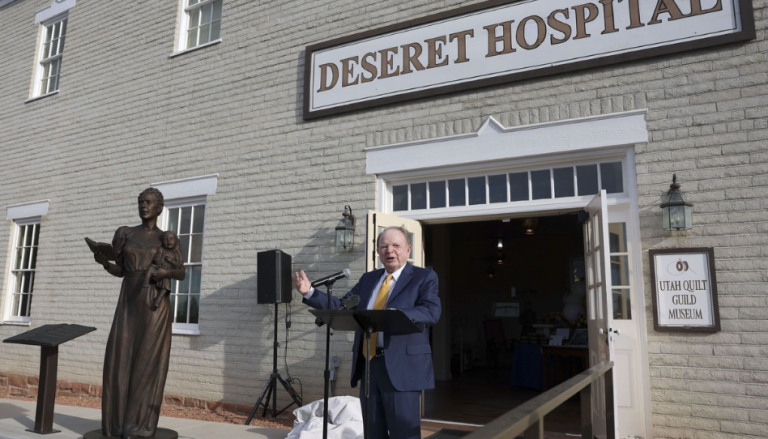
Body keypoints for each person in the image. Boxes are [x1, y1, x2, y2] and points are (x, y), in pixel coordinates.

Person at [294, 227, 441, 439]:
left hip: (402, 368)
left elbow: (431, 311)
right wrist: (310, 292)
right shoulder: (369, 279)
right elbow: (343, 305)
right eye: (383, 246)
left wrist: (395, 314)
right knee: (373, 432)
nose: (389, 250)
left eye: (396, 246)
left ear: (408, 249)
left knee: (404, 434)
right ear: (378, 252)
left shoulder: (424, 277)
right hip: (370, 365)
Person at [93, 188, 186, 439]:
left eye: (149, 202)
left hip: (154, 303)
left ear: (159, 207)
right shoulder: (126, 233)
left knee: (147, 362)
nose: (143, 206)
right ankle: (116, 424)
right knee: (119, 359)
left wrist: (164, 274)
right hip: (128, 300)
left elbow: (180, 273)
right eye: (140, 202)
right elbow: (121, 270)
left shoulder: (166, 238)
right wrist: (104, 263)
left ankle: (138, 426)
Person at [144, 231, 183, 311]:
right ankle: (145, 282)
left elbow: (178, 265)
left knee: (166, 283)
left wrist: (171, 261)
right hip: (159, 267)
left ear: (176, 241)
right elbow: (157, 258)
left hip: (166, 272)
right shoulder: (162, 249)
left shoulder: (176, 253)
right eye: (165, 239)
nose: (168, 241)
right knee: (150, 269)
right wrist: (160, 262)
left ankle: (159, 298)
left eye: (171, 239)